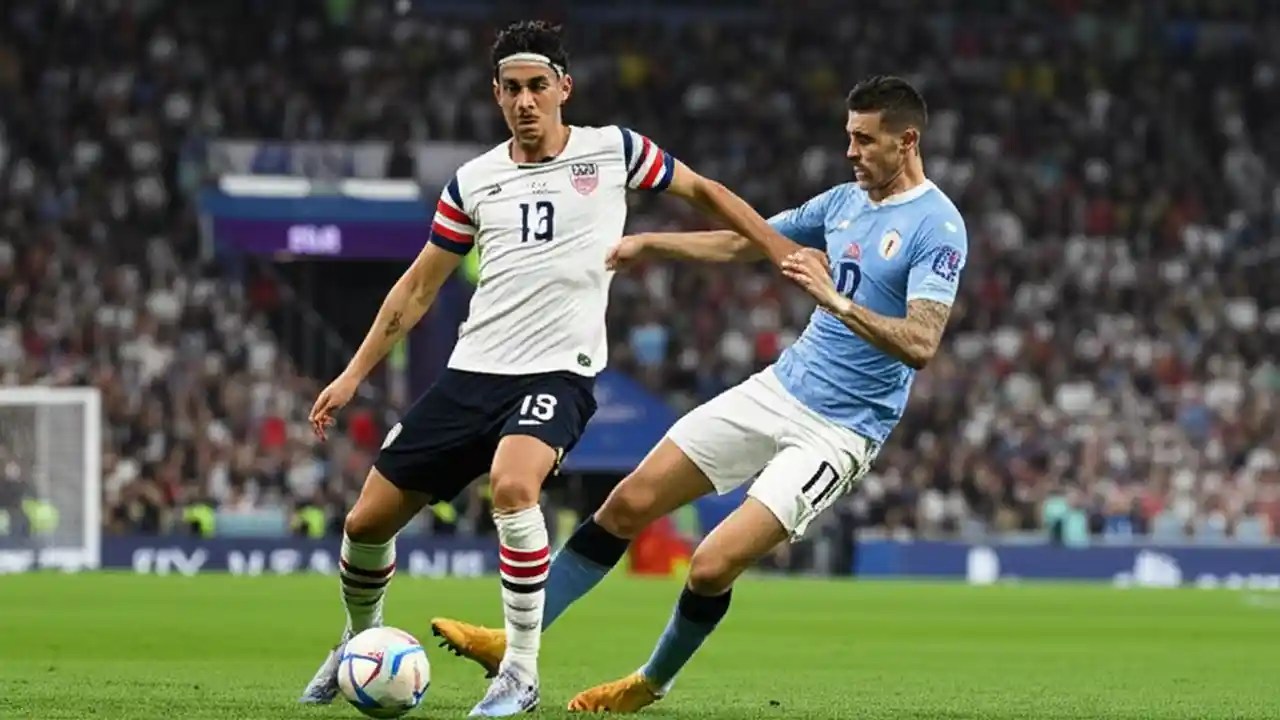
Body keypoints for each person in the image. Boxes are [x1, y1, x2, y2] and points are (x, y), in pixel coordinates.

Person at [298, 20, 804, 719]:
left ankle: (521, 672)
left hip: (557, 375)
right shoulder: (474, 181)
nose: (525, 101)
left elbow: (706, 191)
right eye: (511, 89)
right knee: (365, 523)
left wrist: (778, 247)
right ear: (496, 95)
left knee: (513, 486)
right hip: (471, 374)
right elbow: (418, 287)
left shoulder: (614, 150)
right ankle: (358, 645)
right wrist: (354, 374)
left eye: (538, 86)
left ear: (564, 88)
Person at [431, 75, 969, 712]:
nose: (850, 152)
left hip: (841, 430)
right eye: (849, 136)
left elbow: (921, 343)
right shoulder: (844, 202)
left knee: (711, 565)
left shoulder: (939, 227)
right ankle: (512, 642)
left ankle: (648, 683)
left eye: (865, 140)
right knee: (627, 501)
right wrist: (655, 244)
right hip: (781, 387)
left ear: (907, 142)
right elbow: (747, 240)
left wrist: (836, 302)